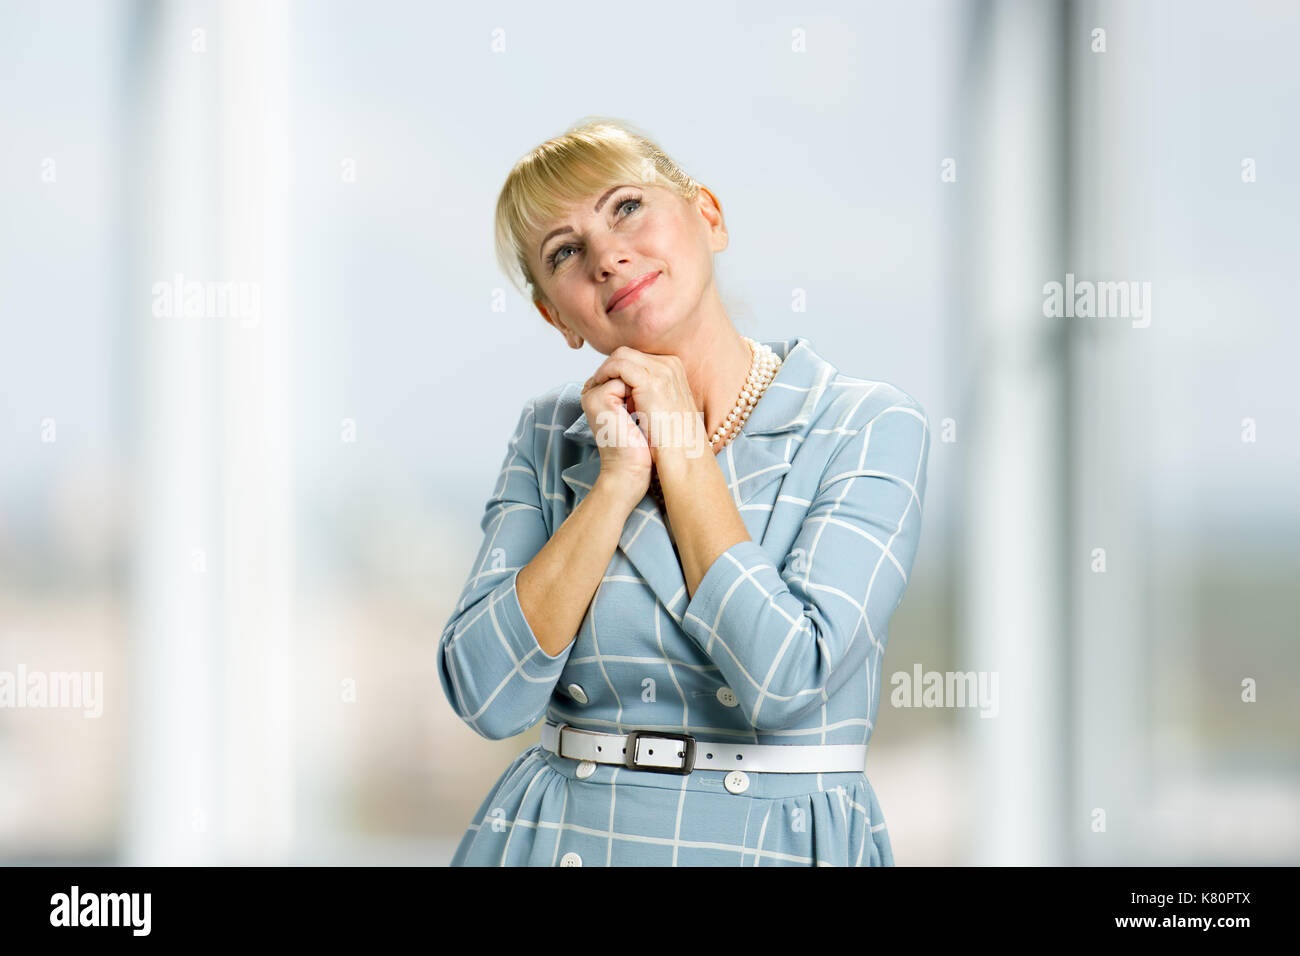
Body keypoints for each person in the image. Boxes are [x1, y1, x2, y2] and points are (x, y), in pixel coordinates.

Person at [438, 118, 930, 866]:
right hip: (559, 840)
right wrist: (616, 484)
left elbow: (787, 683)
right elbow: (485, 695)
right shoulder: (549, 434)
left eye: (626, 207)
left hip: (776, 845)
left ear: (709, 216)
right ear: (556, 315)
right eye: (565, 253)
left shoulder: (864, 425)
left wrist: (682, 448)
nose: (607, 257)